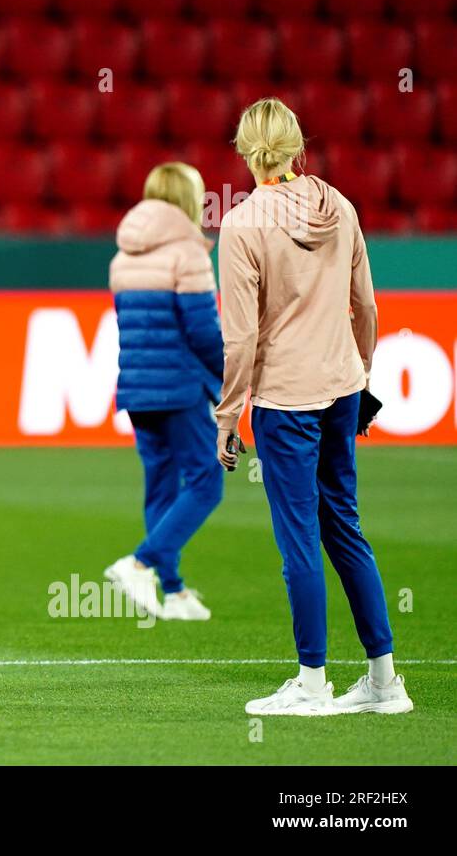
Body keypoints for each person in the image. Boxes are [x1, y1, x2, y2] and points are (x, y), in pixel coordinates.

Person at [217, 98, 412, 716]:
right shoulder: (340, 207)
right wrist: (360, 374)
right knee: (344, 527)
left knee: (298, 538)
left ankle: (311, 682)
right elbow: (367, 306)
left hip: (286, 398)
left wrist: (227, 415)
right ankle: (384, 682)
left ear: (245, 150)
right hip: (341, 387)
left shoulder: (242, 225)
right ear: (297, 145)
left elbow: (241, 338)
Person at [105, 163, 224, 622]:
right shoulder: (188, 254)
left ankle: (173, 591)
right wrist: (231, 375)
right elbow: (203, 332)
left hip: (137, 387)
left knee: (161, 485)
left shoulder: (123, 256)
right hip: (180, 386)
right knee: (206, 482)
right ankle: (139, 564)